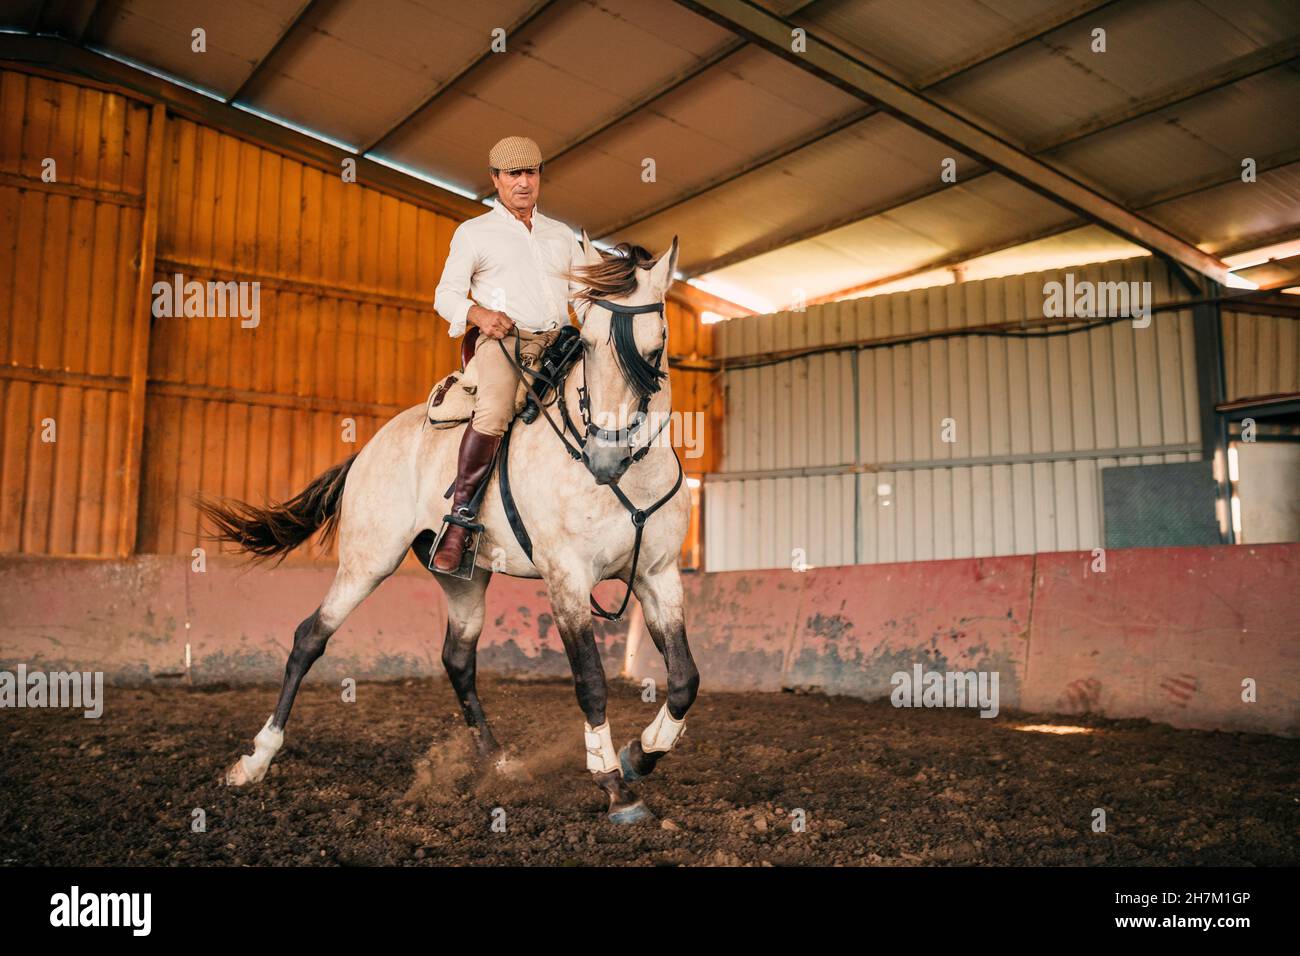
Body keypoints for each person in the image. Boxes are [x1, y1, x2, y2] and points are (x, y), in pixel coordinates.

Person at [430, 135, 585, 574]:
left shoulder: (560, 235)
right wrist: (478, 314)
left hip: (558, 339)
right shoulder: (475, 232)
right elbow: (445, 295)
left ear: (539, 176)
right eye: (513, 174)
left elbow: (581, 294)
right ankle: (460, 521)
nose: (523, 183)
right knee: (495, 411)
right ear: (495, 179)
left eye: (531, 173)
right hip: (506, 342)